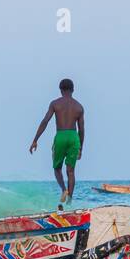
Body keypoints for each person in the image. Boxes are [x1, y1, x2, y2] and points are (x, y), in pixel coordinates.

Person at [29, 78, 85, 206]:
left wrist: (35, 140)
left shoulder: (55, 104)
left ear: (60, 90)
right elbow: (82, 130)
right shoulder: (79, 107)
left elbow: (45, 121)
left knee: (57, 168)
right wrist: (81, 148)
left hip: (60, 136)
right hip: (73, 137)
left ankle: (63, 189)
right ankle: (70, 201)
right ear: (73, 90)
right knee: (71, 171)